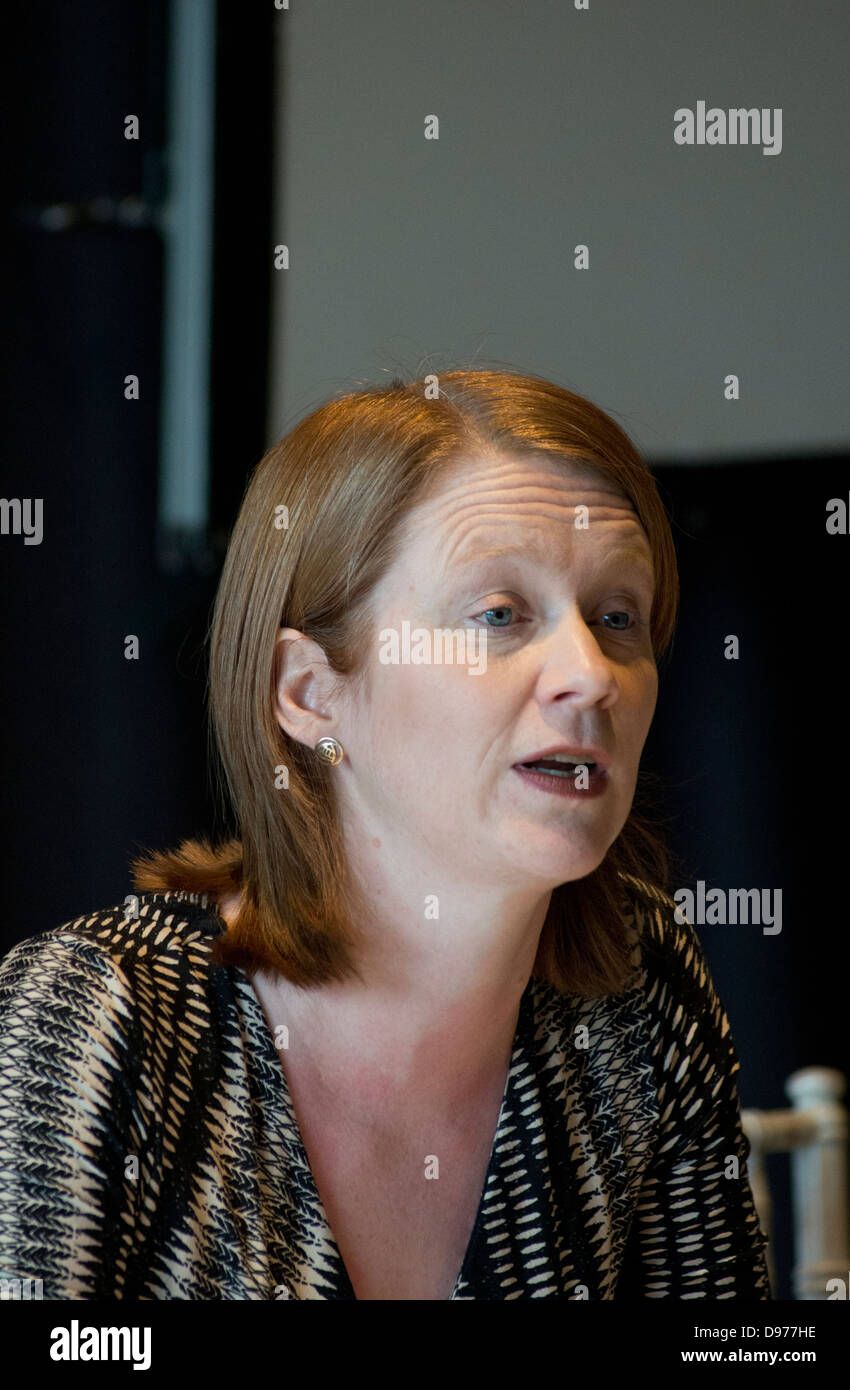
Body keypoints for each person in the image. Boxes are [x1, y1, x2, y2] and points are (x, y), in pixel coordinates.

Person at [0, 369, 771, 1300]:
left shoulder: (640, 995)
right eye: (499, 616)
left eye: (617, 619)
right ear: (310, 694)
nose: (591, 675)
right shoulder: (93, 1015)